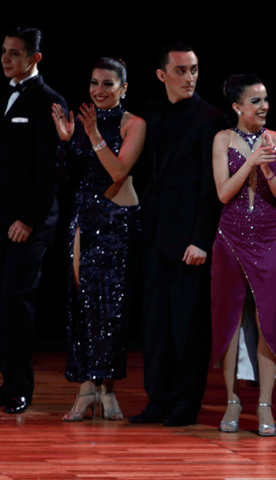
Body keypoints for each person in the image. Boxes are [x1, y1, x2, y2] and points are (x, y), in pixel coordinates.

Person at [130, 43, 229, 427]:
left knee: (189, 325)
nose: (189, 78)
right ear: (162, 75)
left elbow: (211, 187)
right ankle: (156, 400)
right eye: (181, 71)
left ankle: (185, 403)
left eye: (194, 70)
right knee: (155, 324)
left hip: (190, 238)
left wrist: (202, 239)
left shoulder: (212, 118)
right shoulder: (150, 113)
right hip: (153, 234)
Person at [52, 57, 145, 421]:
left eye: (108, 84)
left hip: (117, 219)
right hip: (83, 217)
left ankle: (108, 390)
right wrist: (64, 141)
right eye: (94, 83)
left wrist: (91, 135)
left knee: (111, 308)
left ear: (124, 88)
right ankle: (84, 389)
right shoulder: (79, 123)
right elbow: (62, 176)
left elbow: (119, 171)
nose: (99, 91)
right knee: (81, 303)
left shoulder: (133, 124)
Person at [210, 74, 276, 436]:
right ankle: (233, 399)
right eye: (256, 101)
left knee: (268, 316)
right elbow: (222, 193)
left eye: (266, 100)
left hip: (271, 236)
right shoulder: (222, 139)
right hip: (231, 235)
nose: (264, 107)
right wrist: (250, 163)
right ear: (237, 107)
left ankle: (265, 403)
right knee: (230, 316)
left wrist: (266, 167)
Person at [0, 26, 67, 414]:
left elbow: (51, 170)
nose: (6, 59)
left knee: (14, 301)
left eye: (14, 53)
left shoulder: (50, 101)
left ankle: (18, 388)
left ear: (34, 58)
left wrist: (28, 219)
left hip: (29, 224)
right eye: (4, 51)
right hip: (1, 218)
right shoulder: (3, 93)